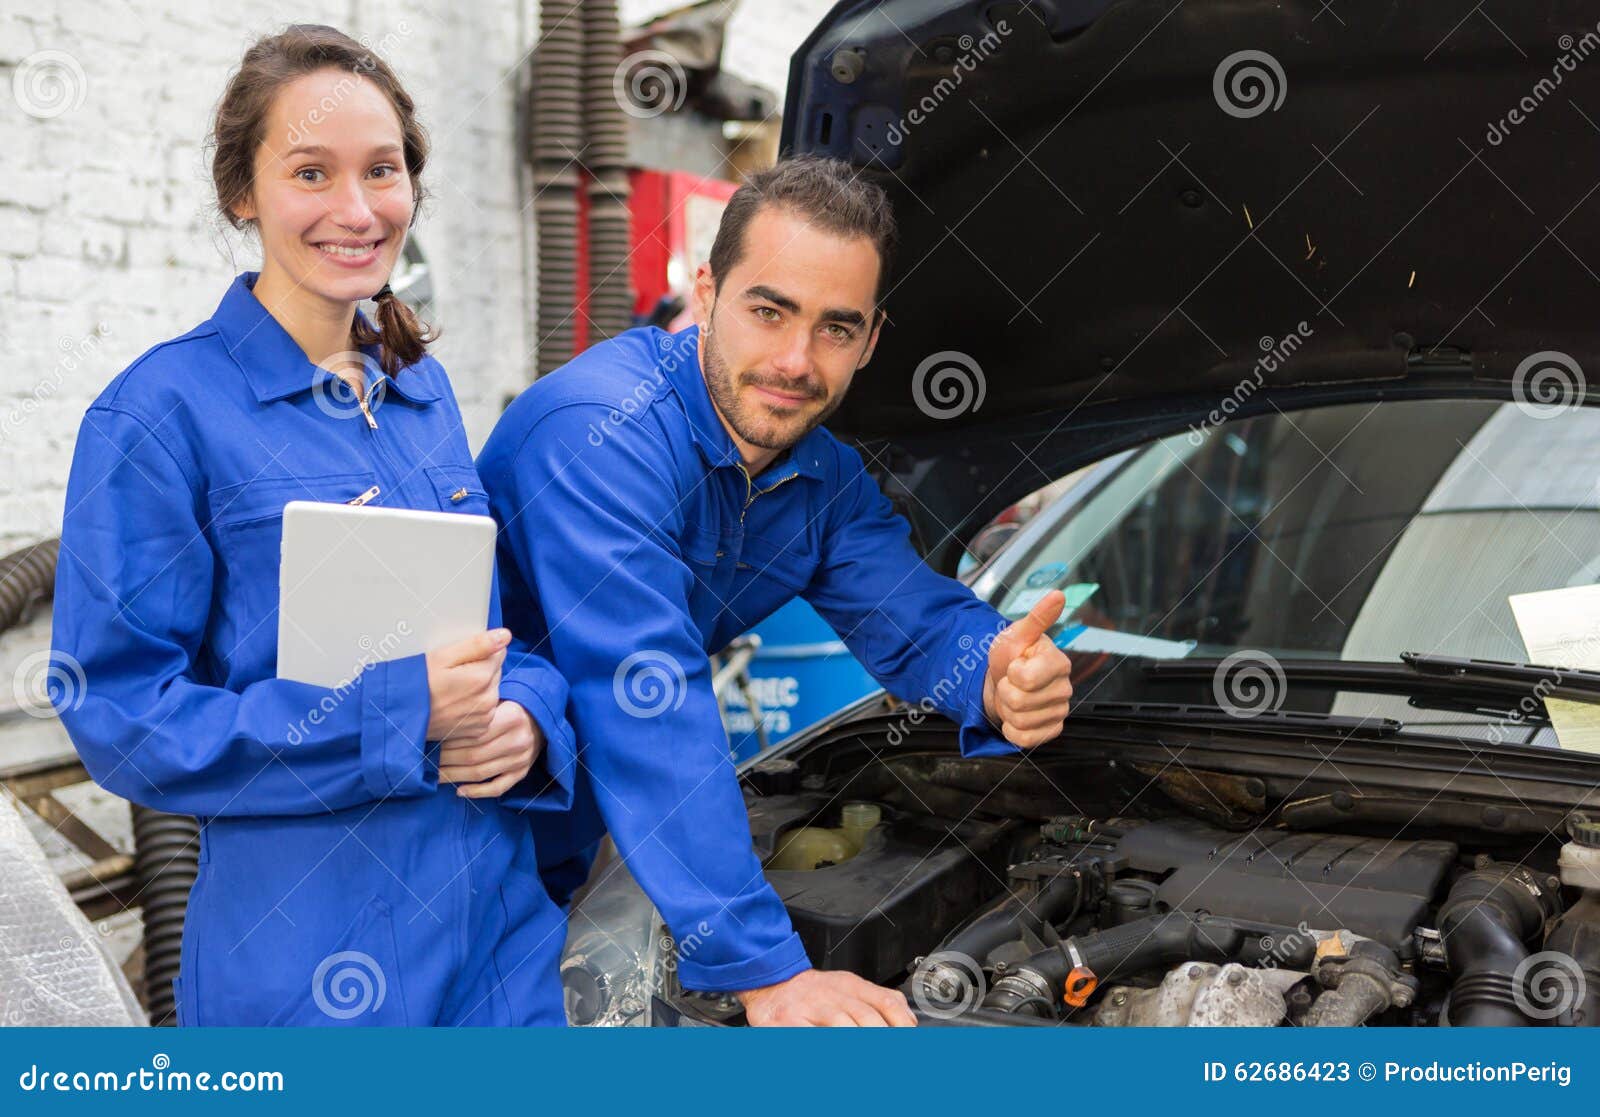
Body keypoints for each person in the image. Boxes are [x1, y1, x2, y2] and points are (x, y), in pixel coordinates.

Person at [51, 25, 572, 1027]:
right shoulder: (163, 413)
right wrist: (393, 713)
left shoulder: (422, 395)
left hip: (501, 951)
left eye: (382, 170)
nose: (355, 208)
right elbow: (119, 712)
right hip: (310, 972)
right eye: (310, 172)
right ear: (243, 195)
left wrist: (527, 723)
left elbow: (508, 641)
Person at [478, 155, 1075, 1026]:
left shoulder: (820, 480)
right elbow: (648, 698)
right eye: (769, 311)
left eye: (836, 328)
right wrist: (767, 970)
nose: (796, 360)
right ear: (706, 290)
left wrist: (995, 673)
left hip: (573, 827)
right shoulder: (599, 435)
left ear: (872, 339)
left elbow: (912, 618)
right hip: (446, 827)